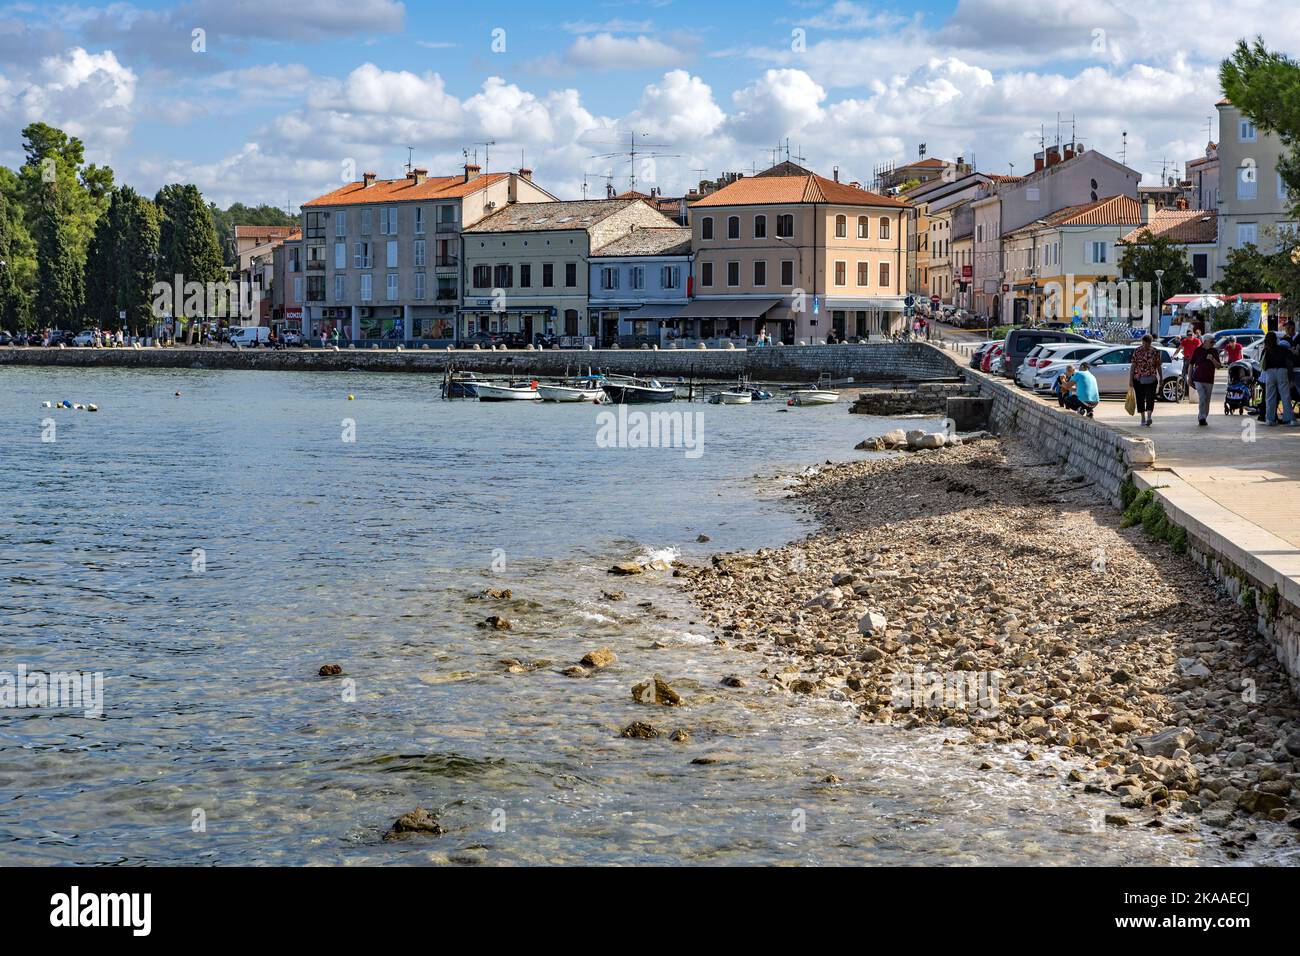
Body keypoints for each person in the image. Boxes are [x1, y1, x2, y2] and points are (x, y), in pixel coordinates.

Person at [1261, 331, 1296, 426]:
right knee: (1285, 396)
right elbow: (1289, 364)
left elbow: (1262, 365)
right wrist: (1291, 378)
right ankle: (1290, 419)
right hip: (1282, 371)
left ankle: (1270, 419)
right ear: (1276, 339)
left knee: (1270, 397)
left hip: (1269, 373)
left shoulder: (1266, 350)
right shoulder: (1283, 350)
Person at [1188, 332, 1222, 426]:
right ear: (1206, 341)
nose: (1213, 343)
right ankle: (1201, 416)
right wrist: (1189, 378)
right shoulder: (1198, 350)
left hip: (1209, 379)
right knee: (1202, 397)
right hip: (1198, 378)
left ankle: (1204, 417)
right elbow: (1191, 364)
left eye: (1214, 342)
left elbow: (1219, 366)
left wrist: (1212, 359)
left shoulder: (1214, 351)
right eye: (1211, 342)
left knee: (1207, 400)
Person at [1130, 334, 1165, 427]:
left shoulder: (1155, 351)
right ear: (1142, 342)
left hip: (1151, 379)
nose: (1146, 345)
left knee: (1150, 398)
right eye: (1144, 343)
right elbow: (1133, 365)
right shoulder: (1137, 351)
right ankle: (1142, 418)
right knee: (1140, 399)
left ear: (1150, 342)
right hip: (1138, 379)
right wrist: (1130, 380)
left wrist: (1161, 377)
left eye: (1148, 343)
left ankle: (1149, 417)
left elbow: (1158, 365)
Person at [1179, 328, 1202, 402]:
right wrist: (1174, 355)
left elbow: (1199, 349)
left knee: (1193, 375)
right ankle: (1182, 390)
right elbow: (1179, 348)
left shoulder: (1197, 340)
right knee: (1183, 375)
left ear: (1193, 335)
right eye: (1188, 335)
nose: (1190, 336)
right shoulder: (1185, 341)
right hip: (1186, 359)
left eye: (1191, 335)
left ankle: (1194, 388)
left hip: (1194, 360)